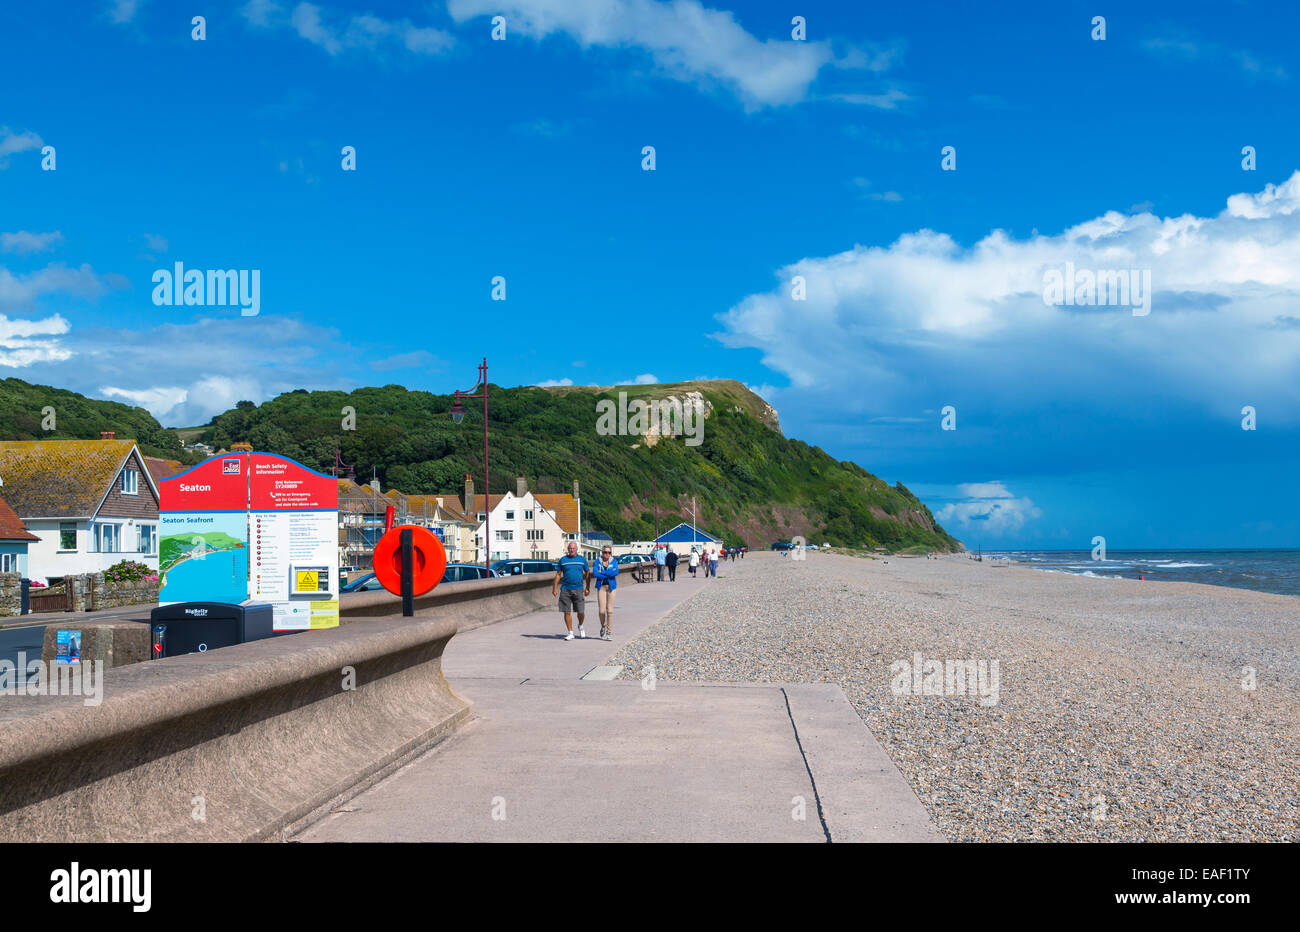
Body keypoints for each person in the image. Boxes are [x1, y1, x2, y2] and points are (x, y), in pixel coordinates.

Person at [552, 540, 590, 640]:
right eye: (570, 548)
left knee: (580, 611)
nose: (571, 550)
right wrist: (554, 588)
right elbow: (558, 574)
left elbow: (587, 573)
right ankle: (570, 632)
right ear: (567, 550)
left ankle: (580, 625)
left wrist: (587, 587)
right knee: (566, 611)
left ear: (577, 549)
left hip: (578, 589)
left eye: (573, 548)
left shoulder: (582, 559)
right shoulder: (563, 560)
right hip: (565, 589)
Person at [590, 544, 619, 640]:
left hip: (611, 587)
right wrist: (607, 573)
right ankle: (603, 625)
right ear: (602, 553)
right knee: (602, 611)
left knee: (610, 610)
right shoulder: (597, 562)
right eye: (605, 552)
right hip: (601, 587)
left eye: (609, 552)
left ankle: (609, 633)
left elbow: (615, 572)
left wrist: (602, 572)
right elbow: (595, 573)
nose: (607, 554)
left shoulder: (614, 561)